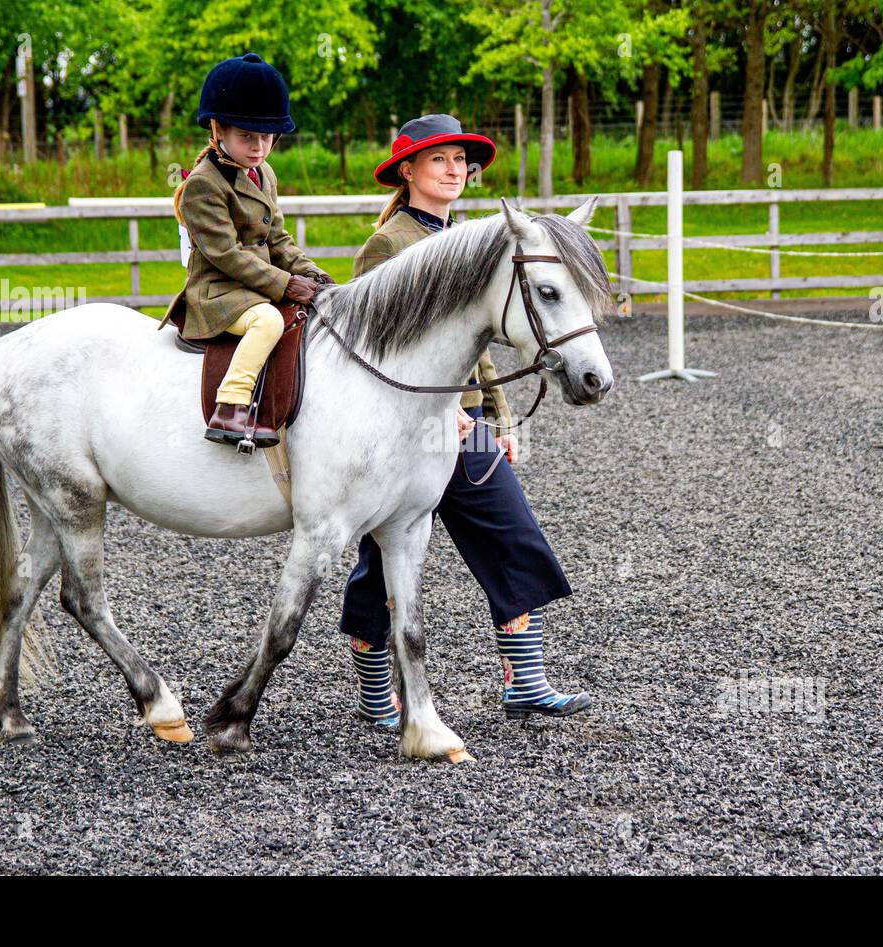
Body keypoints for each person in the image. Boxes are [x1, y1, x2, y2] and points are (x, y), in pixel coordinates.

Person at [339, 114, 592, 729]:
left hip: (463, 420)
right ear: (408, 170)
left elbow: (473, 343)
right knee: (383, 558)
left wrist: (497, 414)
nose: (455, 171)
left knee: (511, 531)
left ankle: (525, 682)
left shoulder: (468, 238)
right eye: (439, 161)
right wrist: (444, 407)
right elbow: (377, 344)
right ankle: (378, 692)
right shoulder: (388, 245)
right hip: (404, 427)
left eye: (462, 162)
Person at [163, 52, 331, 449]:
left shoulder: (263, 173)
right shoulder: (203, 185)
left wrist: (314, 275)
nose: (259, 147)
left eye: (267, 138)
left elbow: (277, 240)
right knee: (269, 323)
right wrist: (286, 284)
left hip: (256, 285)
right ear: (218, 129)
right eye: (247, 137)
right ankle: (231, 404)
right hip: (219, 291)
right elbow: (227, 255)